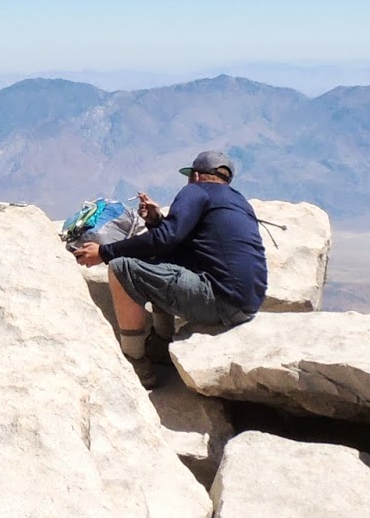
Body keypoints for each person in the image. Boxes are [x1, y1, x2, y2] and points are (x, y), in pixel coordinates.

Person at [72, 150, 267, 387]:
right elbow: (180, 246)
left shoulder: (195, 191)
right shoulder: (238, 202)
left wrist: (104, 252)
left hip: (220, 299)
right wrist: (156, 221)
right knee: (157, 259)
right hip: (248, 302)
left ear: (195, 176)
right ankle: (160, 346)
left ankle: (134, 363)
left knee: (122, 267)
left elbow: (165, 240)